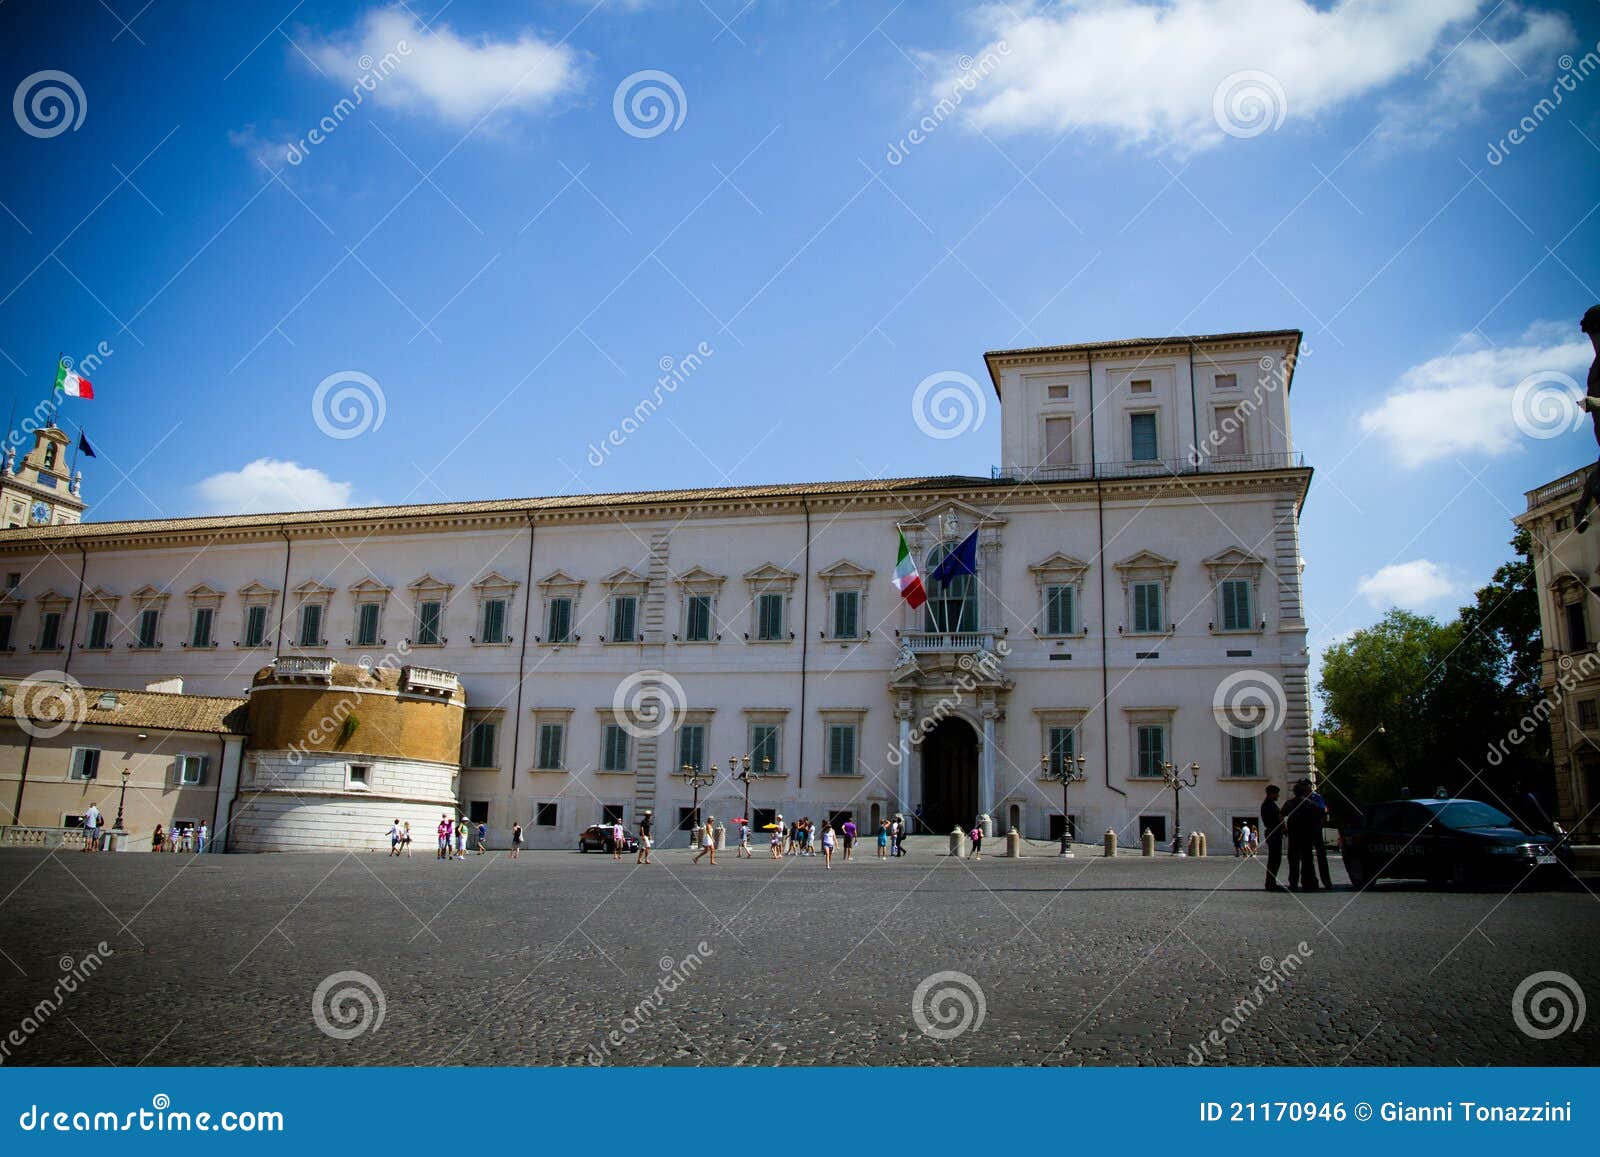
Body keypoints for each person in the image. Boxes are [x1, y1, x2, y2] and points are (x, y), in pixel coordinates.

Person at [1284, 780, 1323, 892]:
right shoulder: (1308, 803)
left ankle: (1293, 883)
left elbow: (1281, 815)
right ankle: (1308, 883)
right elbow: (1320, 812)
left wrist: (1284, 828)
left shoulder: (1289, 803)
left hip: (1294, 835)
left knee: (1293, 861)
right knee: (1307, 860)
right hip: (1306, 835)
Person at [1306, 786, 1333, 888]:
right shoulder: (1299, 799)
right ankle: (1311, 881)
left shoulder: (1316, 797)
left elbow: (1323, 809)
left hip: (1316, 829)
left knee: (1321, 856)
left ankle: (1326, 881)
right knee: (1307, 858)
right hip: (1305, 831)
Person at [1260, 785, 1284, 891]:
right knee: (1274, 859)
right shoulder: (1268, 805)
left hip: (1273, 832)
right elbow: (1278, 819)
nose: (1278, 796)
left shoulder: (1269, 804)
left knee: (1275, 859)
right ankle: (1270, 882)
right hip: (1273, 833)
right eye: (1276, 793)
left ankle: (1271, 881)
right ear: (1271, 793)